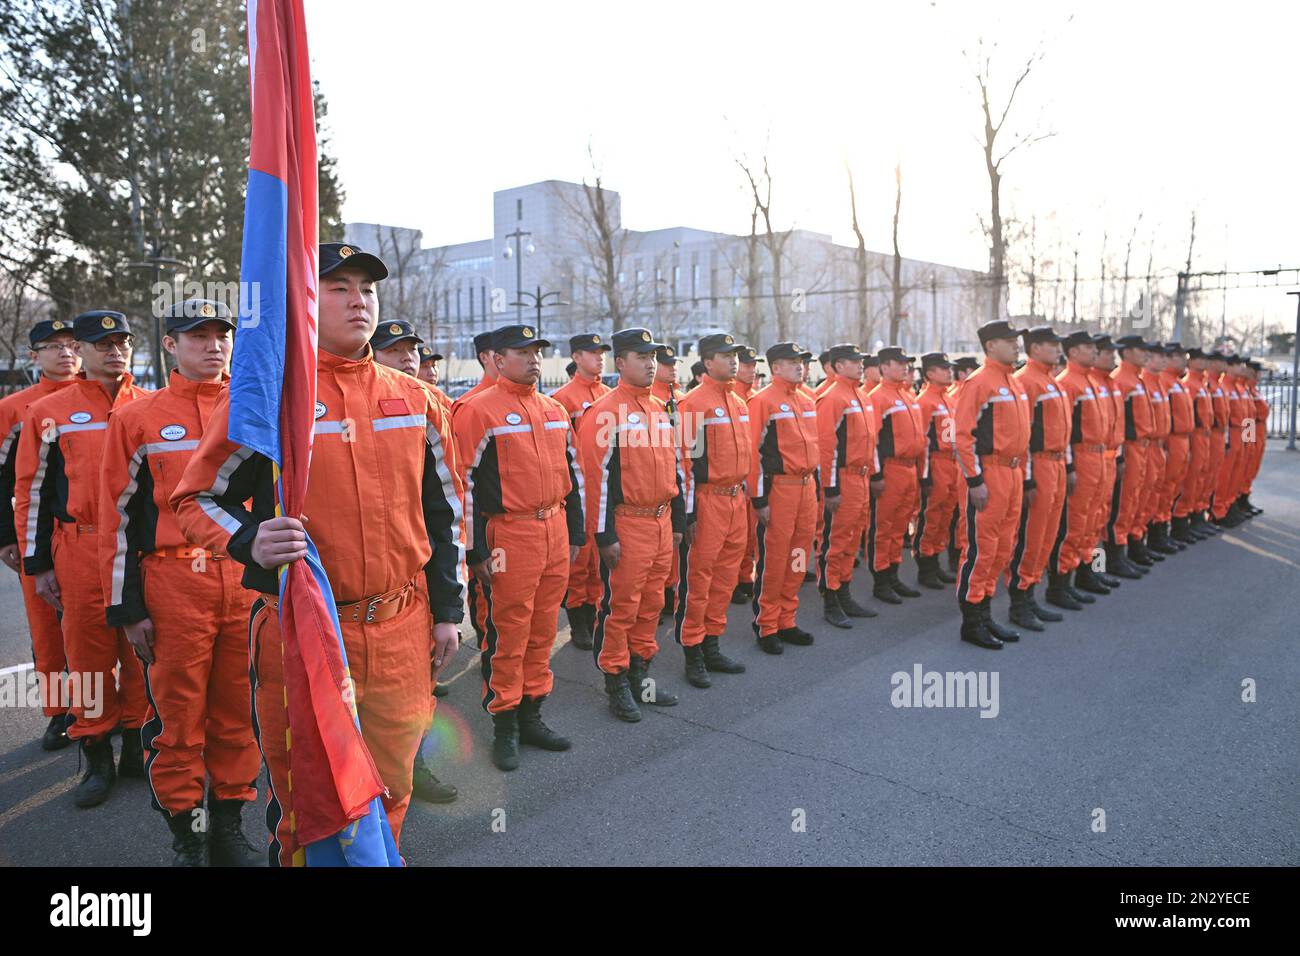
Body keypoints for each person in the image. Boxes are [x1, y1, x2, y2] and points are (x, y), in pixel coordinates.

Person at [171, 242, 465, 865]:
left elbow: (446, 516)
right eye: (338, 287)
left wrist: (447, 610)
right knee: (312, 802)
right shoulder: (269, 396)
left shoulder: (417, 399)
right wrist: (249, 539)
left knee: (390, 789)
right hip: (304, 633)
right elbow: (195, 498)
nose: (357, 299)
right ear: (305, 300)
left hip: (401, 631)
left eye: (366, 287)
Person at [97, 298, 260, 865]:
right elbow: (115, 518)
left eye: (222, 335)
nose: (213, 346)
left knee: (240, 711)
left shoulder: (255, 408)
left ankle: (229, 824)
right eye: (197, 336)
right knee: (178, 718)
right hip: (171, 582)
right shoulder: (135, 419)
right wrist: (127, 608)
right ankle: (189, 832)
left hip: (242, 577)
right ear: (170, 345)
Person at [14, 310, 151, 806]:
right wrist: (37, 563)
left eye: (122, 341)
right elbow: (30, 489)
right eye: (102, 343)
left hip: (136, 548)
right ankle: (96, 754)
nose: (114, 350)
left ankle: (138, 747)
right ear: (84, 351)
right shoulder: (49, 412)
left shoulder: (149, 405)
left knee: (141, 649)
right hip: (79, 544)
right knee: (88, 655)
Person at [455, 324, 585, 771]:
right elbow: (463, 484)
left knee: (544, 629)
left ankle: (532, 716)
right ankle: (504, 725)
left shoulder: (553, 410)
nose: (533, 359)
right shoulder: (477, 410)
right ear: (497, 358)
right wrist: (473, 551)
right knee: (508, 633)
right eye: (521, 352)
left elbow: (576, 475)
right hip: (508, 535)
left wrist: (576, 532)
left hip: (553, 530)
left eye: (537, 352)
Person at [366, 319, 459, 805]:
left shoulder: (429, 407)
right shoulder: (354, 411)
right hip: (357, 589)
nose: (408, 357)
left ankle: (412, 766)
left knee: (415, 688)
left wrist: (450, 603)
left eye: (412, 349)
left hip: (415, 576)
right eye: (394, 349)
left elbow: (446, 505)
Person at [579, 328, 685, 720]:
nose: (650, 363)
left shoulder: (659, 408)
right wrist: (604, 535)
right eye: (641, 357)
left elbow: (674, 465)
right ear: (620, 363)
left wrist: (676, 518)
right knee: (621, 607)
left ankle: (643, 676)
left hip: (659, 523)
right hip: (628, 525)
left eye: (653, 356)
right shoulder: (606, 412)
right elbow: (597, 478)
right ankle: (616, 680)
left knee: (652, 605)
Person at [0, 319, 81, 750]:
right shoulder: (16, 408)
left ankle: (118, 713)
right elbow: (2, 479)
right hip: (36, 534)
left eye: (71, 345)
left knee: (103, 627)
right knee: (48, 627)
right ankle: (60, 711)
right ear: (34, 356)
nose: (65, 353)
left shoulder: (108, 397)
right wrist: (5, 537)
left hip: (95, 537)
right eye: (53, 346)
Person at [674, 333, 751, 687]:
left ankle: (712, 644)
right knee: (699, 578)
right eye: (724, 355)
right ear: (707, 362)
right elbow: (685, 463)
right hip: (707, 501)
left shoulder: (737, 401)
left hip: (736, 500)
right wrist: (688, 514)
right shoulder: (693, 404)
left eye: (735, 355)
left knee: (725, 577)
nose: (733, 361)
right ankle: (693, 651)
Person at [951, 320, 1031, 650]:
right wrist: (975, 480)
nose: (1015, 345)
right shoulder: (979, 382)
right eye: (1008, 340)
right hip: (989, 473)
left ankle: (985, 613)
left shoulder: (1012, 381)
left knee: (1002, 547)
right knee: (981, 547)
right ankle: (971, 621)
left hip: (1011, 473)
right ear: (989, 346)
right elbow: (961, 436)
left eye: (1016, 340)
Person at [746, 341, 819, 654]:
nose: (799, 367)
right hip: (780, 489)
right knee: (775, 559)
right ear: (775, 367)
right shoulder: (763, 401)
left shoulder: (807, 399)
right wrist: (760, 498)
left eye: (801, 362)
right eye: (792, 362)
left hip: (807, 487)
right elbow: (752, 453)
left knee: (799, 556)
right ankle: (767, 624)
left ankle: (788, 619)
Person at [1006, 327, 1075, 628]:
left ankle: (1032, 595)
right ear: (1034, 348)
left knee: (1048, 534)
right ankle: (1018, 602)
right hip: (1039, 464)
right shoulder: (1026, 381)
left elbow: (1065, 429)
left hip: (1057, 464)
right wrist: (1029, 479)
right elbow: (1025, 436)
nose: (1057, 349)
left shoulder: (1051, 380)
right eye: (1050, 345)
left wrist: (1068, 465)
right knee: (1030, 536)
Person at [1045, 331, 1113, 628]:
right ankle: (1060, 583)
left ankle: (1085, 572)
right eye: (1088, 347)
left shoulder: (1092, 382)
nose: (1094, 351)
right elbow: (1066, 431)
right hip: (1081, 457)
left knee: (1094, 519)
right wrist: (1070, 466)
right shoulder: (1068, 383)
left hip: (1099, 456)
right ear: (1072, 352)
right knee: (1075, 521)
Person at [550, 333, 612, 651]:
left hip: (603, 489)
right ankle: (578, 623)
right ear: (576, 357)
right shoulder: (563, 399)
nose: (600, 358)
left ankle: (595, 614)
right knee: (579, 559)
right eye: (592, 353)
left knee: (600, 559)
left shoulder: (609, 395)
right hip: (577, 491)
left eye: (602, 353)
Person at [815, 343, 881, 628]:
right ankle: (830, 599)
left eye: (860, 361)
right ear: (839, 365)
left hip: (862, 477)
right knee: (835, 541)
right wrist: (830, 489)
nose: (860, 365)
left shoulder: (863, 396)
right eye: (854, 361)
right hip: (842, 478)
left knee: (852, 539)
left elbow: (871, 439)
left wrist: (875, 473)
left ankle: (845, 592)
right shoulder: (833, 398)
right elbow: (826, 447)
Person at [866, 347, 926, 603]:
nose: (905, 368)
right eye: (900, 364)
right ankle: (881, 579)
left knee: (900, 525)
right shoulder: (878, 397)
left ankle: (893, 574)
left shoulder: (908, 394)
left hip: (909, 468)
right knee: (884, 526)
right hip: (890, 468)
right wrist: (876, 474)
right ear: (884, 367)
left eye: (906, 364)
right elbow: (872, 439)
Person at [1107, 335, 1158, 570]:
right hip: (1128, 447)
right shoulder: (1122, 380)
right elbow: (1117, 420)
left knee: (1139, 497)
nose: (1146, 354)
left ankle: (1135, 543)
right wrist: (1119, 454)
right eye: (1142, 349)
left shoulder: (1139, 379)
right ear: (1126, 353)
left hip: (1147, 446)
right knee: (1122, 502)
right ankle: (1114, 555)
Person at [913, 352, 960, 589]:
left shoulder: (949, 398)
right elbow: (922, 442)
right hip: (936, 462)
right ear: (930, 373)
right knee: (931, 515)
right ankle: (925, 566)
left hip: (952, 463)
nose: (949, 371)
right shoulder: (925, 401)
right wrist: (925, 475)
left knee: (945, 514)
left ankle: (936, 560)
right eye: (943, 368)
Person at [651, 345, 682, 618]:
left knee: (672, 549)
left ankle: (668, 593)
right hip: (652, 486)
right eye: (666, 363)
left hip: (675, 479)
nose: (672, 368)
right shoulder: (647, 399)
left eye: (674, 363)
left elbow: (691, 447)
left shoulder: (680, 399)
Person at [732, 346, 762, 605]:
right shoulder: (730, 397)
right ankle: (732, 581)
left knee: (749, 535)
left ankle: (744, 577)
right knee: (731, 540)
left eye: (754, 366)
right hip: (731, 483)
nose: (751, 370)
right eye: (746, 365)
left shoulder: (755, 398)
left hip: (754, 478)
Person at [1158, 343, 1196, 547]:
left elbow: (1248, 417)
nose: (1186, 361)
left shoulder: (1181, 383)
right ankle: (1219, 509)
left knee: (1193, 480)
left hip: (1197, 436)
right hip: (1177, 438)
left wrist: (1247, 442)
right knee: (1168, 486)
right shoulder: (1176, 382)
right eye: (1181, 357)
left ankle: (1233, 503)